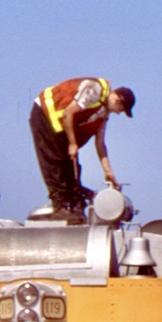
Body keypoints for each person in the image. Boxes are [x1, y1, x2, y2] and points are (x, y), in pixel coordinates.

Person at [30, 77, 135, 222]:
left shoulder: (103, 114)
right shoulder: (94, 90)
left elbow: (100, 144)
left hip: (61, 128)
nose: (118, 113)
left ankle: (75, 204)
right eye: (121, 110)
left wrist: (108, 172)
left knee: (72, 168)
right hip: (45, 113)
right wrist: (73, 144)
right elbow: (68, 113)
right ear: (118, 101)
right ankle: (61, 206)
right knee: (54, 162)